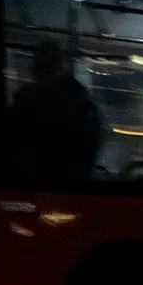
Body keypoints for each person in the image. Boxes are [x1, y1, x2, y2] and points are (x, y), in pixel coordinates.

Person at [8, 41, 103, 189]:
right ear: (61, 68)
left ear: (33, 70)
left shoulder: (24, 101)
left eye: (46, 66)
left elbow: (13, 144)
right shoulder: (81, 103)